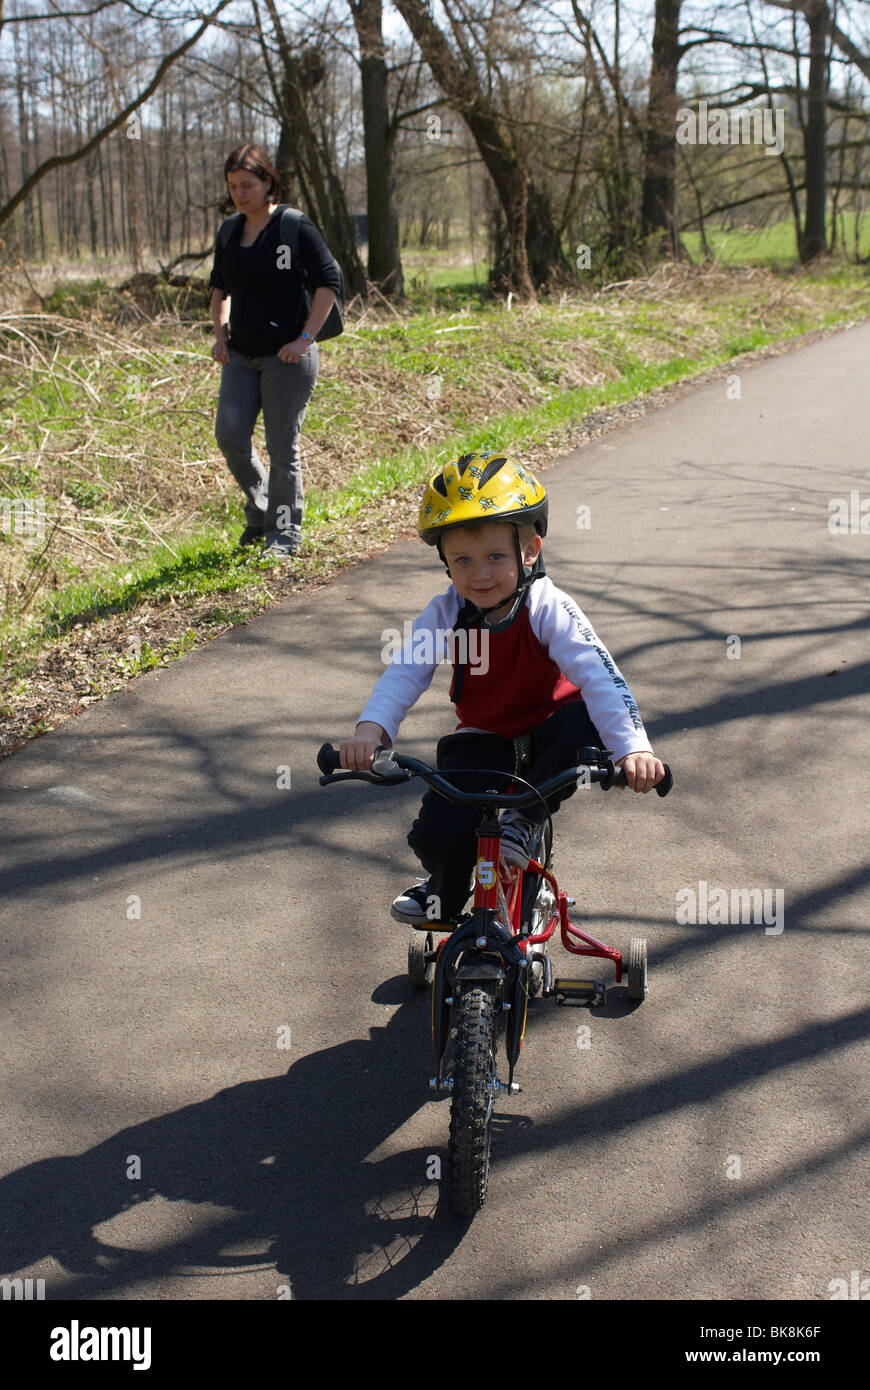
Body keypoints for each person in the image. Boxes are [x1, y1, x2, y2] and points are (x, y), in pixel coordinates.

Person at [338, 450, 667, 925]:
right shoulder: (448, 610)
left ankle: (524, 818)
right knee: (439, 834)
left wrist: (632, 750)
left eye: (495, 556)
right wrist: (370, 731)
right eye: (463, 560)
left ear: (529, 550)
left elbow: (600, 674)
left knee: (584, 720)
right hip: (484, 740)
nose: (480, 574)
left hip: (553, 733)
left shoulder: (547, 606)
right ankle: (444, 895)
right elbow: (406, 670)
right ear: (445, 562)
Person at [209, 144, 341, 559]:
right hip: (241, 356)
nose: (239, 193)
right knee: (229, 435)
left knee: (282, 445)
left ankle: (283, 535)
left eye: (248, 184)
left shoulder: (294, 227)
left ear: (269, 182)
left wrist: (304, 339)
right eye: (233, 186)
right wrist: (219, 333)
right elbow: (219, 289)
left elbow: (329, 283)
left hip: (288, 359)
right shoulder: (230, 231)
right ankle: (261, 508)